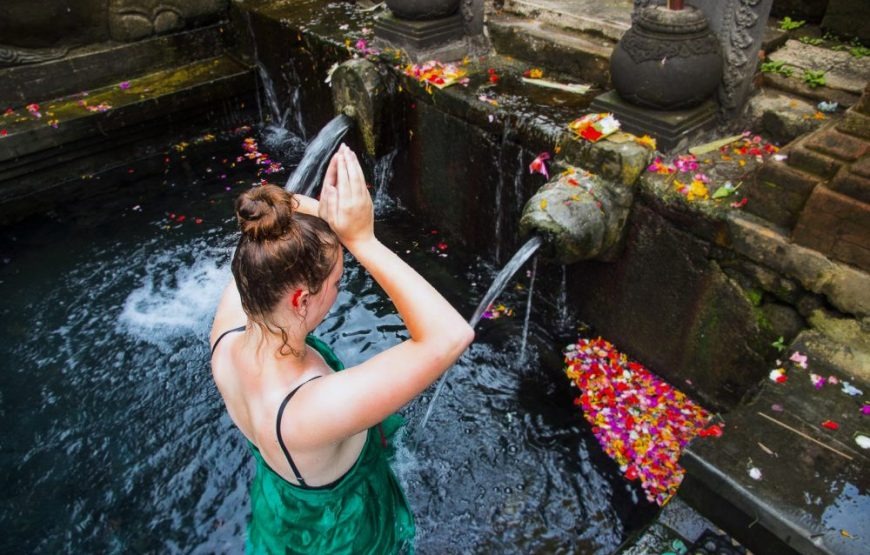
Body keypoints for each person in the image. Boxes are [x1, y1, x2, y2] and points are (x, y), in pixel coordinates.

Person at [209, 144, 474, 553]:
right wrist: (361, 239)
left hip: (281, 508)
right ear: (300, 300)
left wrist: (328, 217)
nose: (339, 288)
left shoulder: (225, 339)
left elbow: (267, 224)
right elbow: (450, 336)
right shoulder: (309, 410)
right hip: (339, 536)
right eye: (336, 282)